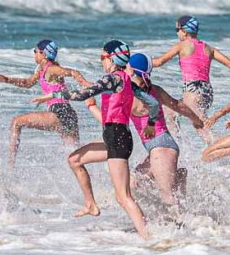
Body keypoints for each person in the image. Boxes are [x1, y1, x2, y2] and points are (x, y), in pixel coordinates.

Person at [34, 40, 160, 238]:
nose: (102, 61)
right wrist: (151, 124)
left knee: (123, 197)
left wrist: (54, 94)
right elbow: (153, 103)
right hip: (116, 138)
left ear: (111, 59)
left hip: (117, 139)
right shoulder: (126, 80)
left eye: (102, 57)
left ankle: (149, 237)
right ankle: (91, 204)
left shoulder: (113, 78)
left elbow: (85, 93)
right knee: (74, 159)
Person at [0, 39, 88, 167]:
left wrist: (85, 84)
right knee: (75, 159)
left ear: (43, 54)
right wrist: (7, 79)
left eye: (35, 51)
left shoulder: (52, 69)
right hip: (69, 115)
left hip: (59, 112)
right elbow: (28, 83)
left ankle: (10, 167)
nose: (34, 54)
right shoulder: (42, 69)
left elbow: (72, 72)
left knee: (17, 122)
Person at [126, 52, 204, 205]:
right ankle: (179, 177)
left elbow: (178, 105)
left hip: (162, 147)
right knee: (133, 183)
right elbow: (177, 105)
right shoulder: (155, 90)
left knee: (168, 198)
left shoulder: (130, 94)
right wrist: (195, 119)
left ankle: (188, 226)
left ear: (131, 70)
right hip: (158, 147)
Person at [151, 15, 230, 117]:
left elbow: (159, 62)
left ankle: (213, 134)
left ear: (184, 31)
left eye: (177, 29)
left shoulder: (181, 45)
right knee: (171, 111)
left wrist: (136, 63)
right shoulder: (209, 48)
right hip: (207, 91)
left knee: (200, 125)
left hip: (193, 89)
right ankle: (176, 134)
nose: (177, 33)